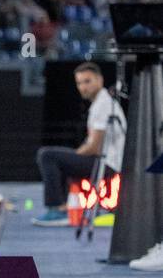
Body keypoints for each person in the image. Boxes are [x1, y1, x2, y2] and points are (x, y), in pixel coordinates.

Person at [33, 62, 126, 225]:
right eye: (79, 83)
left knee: (47, 155)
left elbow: (94, 147)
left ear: (100, 80)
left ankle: (57, 209)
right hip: (103, 161)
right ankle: (63, 207)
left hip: (107, 165)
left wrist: (75, 156)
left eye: (87, 81)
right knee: (58, 157)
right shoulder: (99, 103)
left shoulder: (103, 104)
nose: (83, 87)